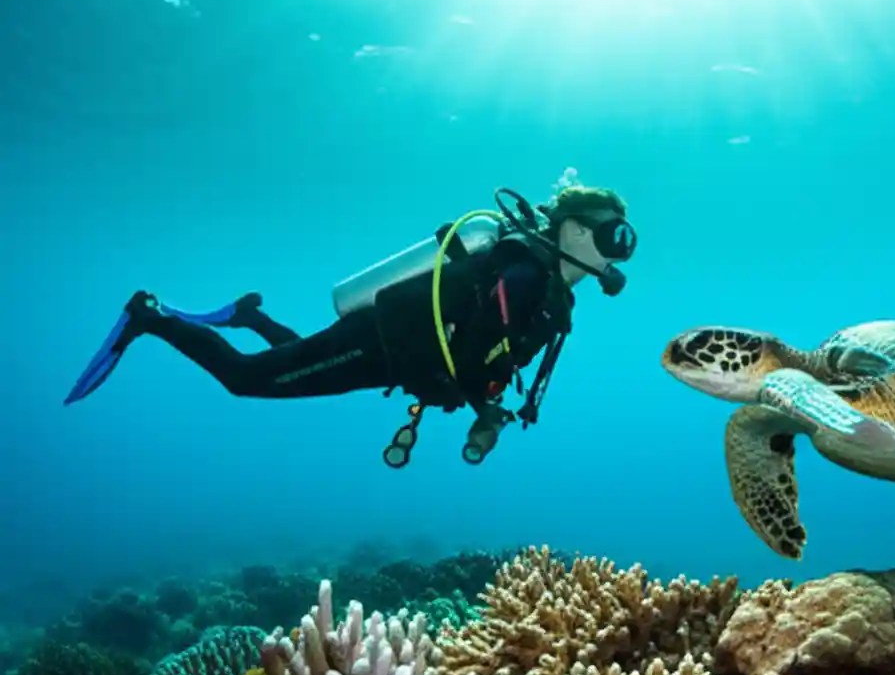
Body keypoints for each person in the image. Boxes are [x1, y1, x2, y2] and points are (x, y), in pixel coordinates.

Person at [63, 184, 638, 466]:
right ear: (574, 230)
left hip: (386, 357)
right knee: (245, 379)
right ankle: (149, 315)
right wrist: (461, 397)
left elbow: (483, 351)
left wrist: (481, 402)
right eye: (615, 237)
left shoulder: (549, 294)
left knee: (297, 361)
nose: (619, 254)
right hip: (376, 346)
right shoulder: (524, 275)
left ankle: (248, 314)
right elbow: (436, 329)